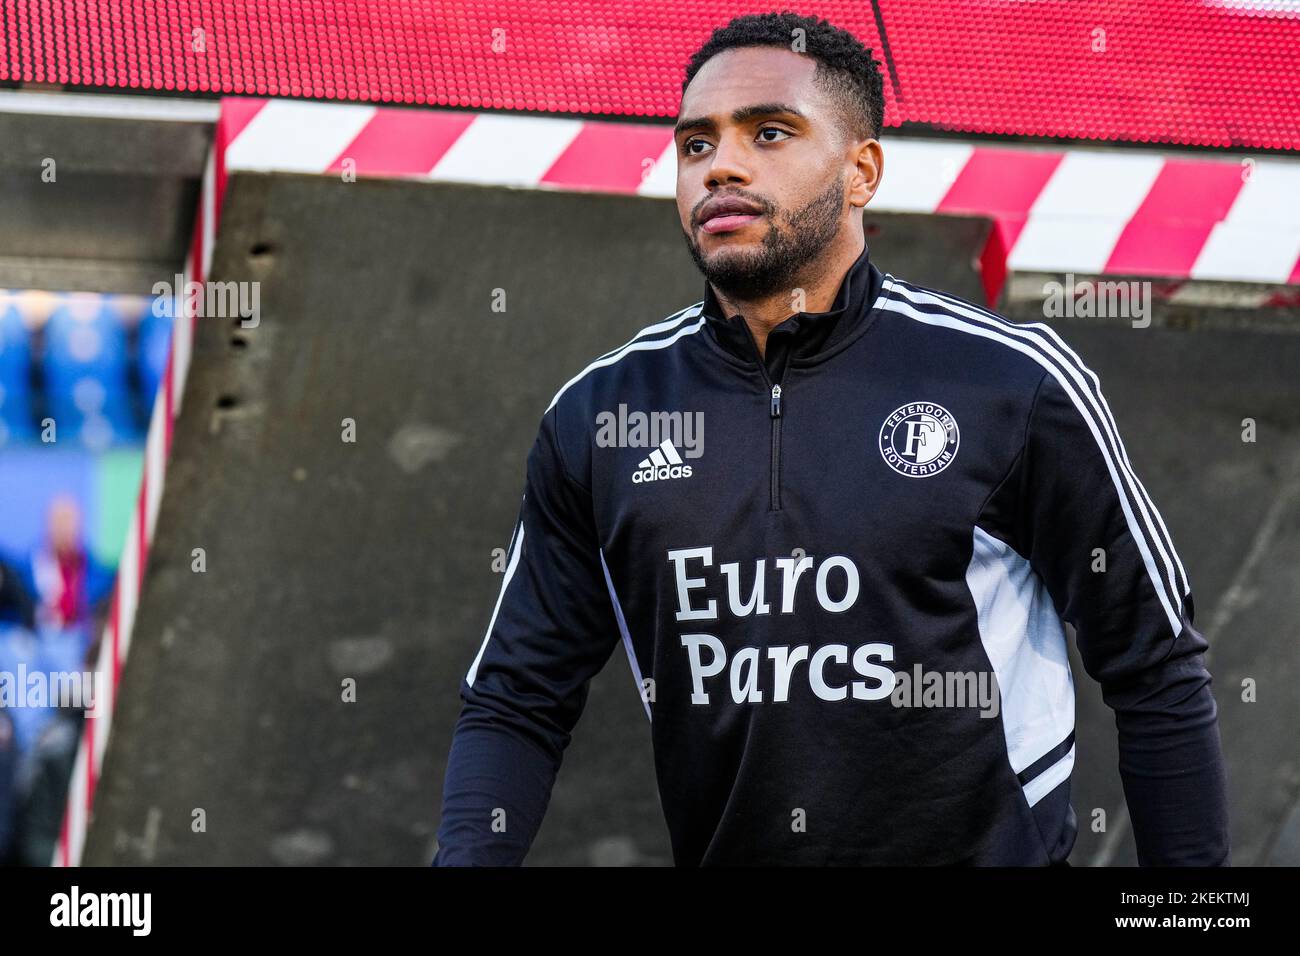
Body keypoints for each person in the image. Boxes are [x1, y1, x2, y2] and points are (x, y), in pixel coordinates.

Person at [434, 12, 1229, 866]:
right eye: (694, 146)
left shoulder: (1010, 383)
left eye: (769, 132)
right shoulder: (600, 416)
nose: (722, 166)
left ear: (862, 171)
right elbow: (516, 700)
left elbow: (1155, 668)